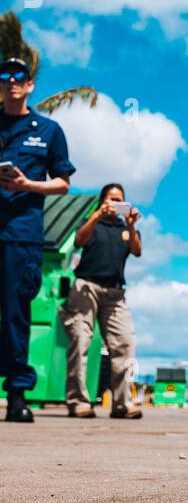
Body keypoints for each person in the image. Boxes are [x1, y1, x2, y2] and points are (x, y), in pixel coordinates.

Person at [0, 55, 76, 423]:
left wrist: (26, 184)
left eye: (19, 76)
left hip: (21, 235)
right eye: (5, 75)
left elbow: (63, 182)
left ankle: (17, 395)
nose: (11, 80)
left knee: (16, 314)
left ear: (30, 84)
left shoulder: (48, 130)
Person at [61, 184, 143, 419]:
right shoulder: (92, 222)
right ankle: (78, 401)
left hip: (115, 293)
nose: (114, 204)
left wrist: (131, 224)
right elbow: (79, 240)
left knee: (125, 344)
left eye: (119, 200)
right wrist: (96, 215)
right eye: (110, 199)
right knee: (80, 341)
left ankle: (122, 404)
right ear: (101, 201)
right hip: (86, 288)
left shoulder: (125, 228)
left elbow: (137, 251)